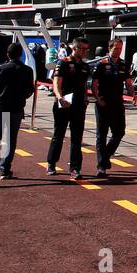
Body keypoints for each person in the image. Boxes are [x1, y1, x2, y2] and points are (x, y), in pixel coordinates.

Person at [0, 44, 35, 187]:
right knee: (11, 140)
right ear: (20, 54)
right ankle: (6, 168)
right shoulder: (27, 70)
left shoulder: (0, 69)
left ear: (8, 54)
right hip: (17, 108)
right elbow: (30, 89)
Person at [47, 36, 91, 180]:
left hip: (79, 105)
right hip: (64, 101)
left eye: (86, 49)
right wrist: (59, 97)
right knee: (58, 135)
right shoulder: (64, 63)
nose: (84, 52)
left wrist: (85, 98)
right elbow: (56, 83)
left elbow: (84, 85)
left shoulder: (85, 66)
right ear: (74, 48)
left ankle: (75, 168)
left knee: (77, 139)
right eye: (82, 49)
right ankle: (51, 163)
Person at [92, 38, 129, 177]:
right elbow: (94, 83)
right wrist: (97, 98)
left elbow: (128, 81)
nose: (118, 51)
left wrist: (133, 93)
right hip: (103, 102)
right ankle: (101, 166)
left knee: (119, 132)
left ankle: (106, 155)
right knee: (101, 134)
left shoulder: (124, 64)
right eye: (116, 48)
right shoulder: (101, 64)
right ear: (109, 48)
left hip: (117, 103)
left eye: (120, 48)